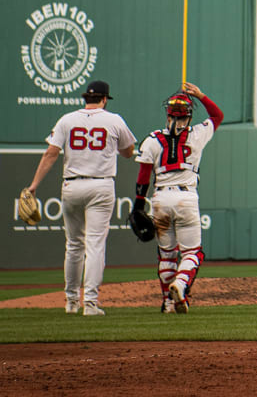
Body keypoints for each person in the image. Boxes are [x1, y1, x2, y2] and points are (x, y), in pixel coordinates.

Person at [24, 80, 137, 315]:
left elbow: (51, 153)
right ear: (104, 99)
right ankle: (92, 303)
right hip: (101, 185)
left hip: (72, 186)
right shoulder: (114, 119)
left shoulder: (67, 119)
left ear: (86, 98)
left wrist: (34, 185)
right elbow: (128, 152)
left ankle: (71, 301)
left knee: (73, 245)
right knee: (95, 245)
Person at [134, 82, 222, 313]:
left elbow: (143, 177)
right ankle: (181, 285)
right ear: (189, 116)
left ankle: (168, 303)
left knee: (166, 255)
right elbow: (217, 115)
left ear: (168, 113)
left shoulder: (152, 140)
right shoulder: (197, 134)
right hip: (186, 197)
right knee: (193, 253)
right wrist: (200, 95)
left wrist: (137, 206)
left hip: (161, 199)